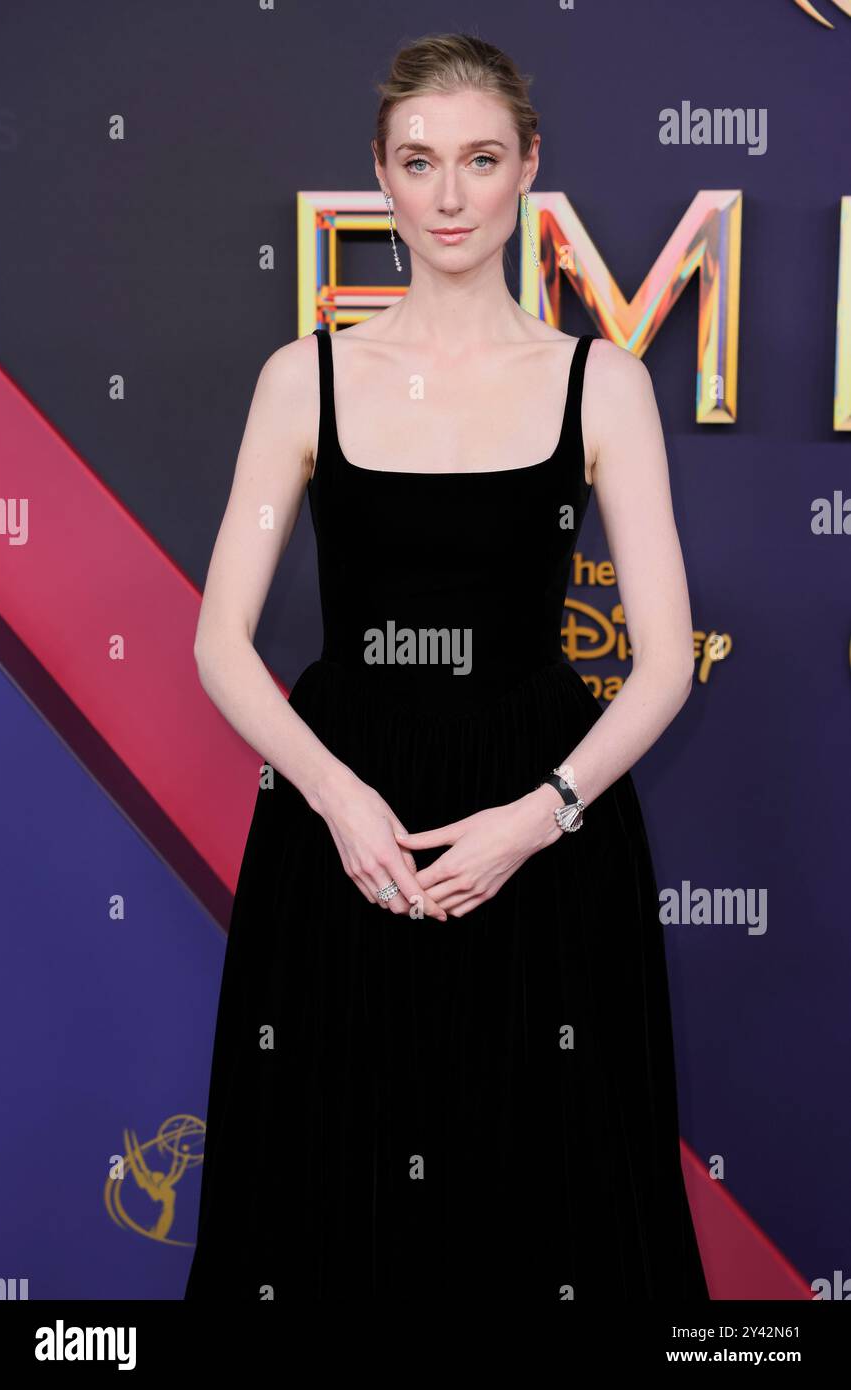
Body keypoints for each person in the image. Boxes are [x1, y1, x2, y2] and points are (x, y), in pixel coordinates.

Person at [184, 31, 709, 1304]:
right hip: (344, 828)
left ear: (527, 165)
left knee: (555, 1184)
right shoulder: (302, 380)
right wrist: (338, 800)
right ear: (380, 175)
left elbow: (660, 663)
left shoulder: (601, 384)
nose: (450, 194)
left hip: (542, 827)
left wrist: (541, 817)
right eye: (419, 163)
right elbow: (218, 641)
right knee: (328, 1179)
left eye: (479, 159)